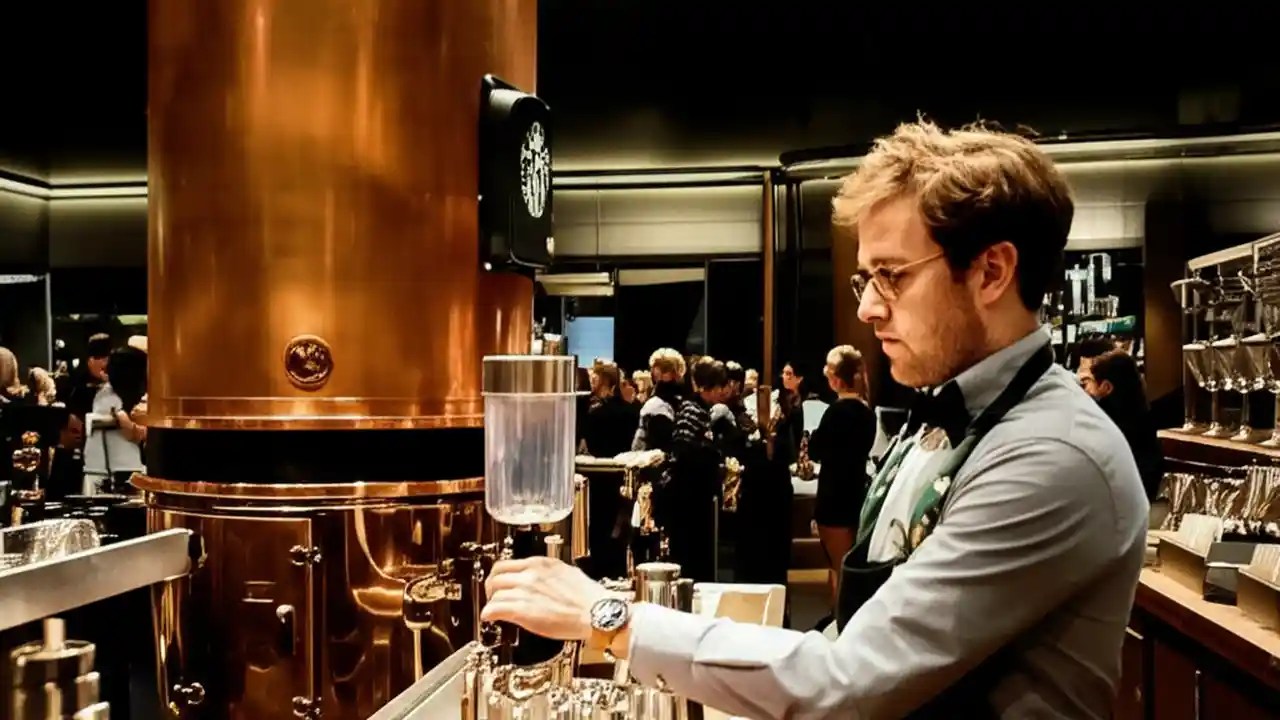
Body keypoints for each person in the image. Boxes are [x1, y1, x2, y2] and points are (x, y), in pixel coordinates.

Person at [481, 120, 1149, 719]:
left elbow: (847, 682)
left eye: (892, 275)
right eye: (866, 280)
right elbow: (854, 640)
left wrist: (607, 617)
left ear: (992, 271)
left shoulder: (1054, 453)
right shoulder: (943, 415)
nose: (868, 309)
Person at [808, 345, 877, 607]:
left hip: (833, 497)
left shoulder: (837, 412)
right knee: (842, 566)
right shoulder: (866, 412)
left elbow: (817, 450)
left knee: (840, 568)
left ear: (836, 378)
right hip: (855, 492)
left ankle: (841, 626)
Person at [1081, 349, 1163, 500]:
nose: (1083, 391)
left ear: (1106, 387)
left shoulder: (1102, 429)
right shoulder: (1142, 424)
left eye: (1086, 383)